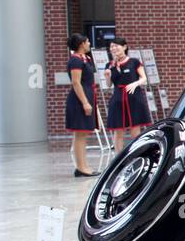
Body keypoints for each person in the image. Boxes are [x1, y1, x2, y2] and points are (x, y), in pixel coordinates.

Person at [106, 37, 152, 151]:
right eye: (112, 46)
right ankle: (118, 158)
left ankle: (136, 154)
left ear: (124, 47)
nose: (113, 48)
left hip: (134, 98)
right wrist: (107, 76)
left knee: (135, 130)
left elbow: (144, 78)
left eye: (116, 46)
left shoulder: (134, 62)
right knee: (118, 130)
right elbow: (109, 84)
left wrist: (135, 84)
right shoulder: (110, 64)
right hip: (118, 98)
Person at [65, 33, 98, 177]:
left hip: (88, 96)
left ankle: (84, 165)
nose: (89, 43)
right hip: (79, 100)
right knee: (79, 134)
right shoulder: (75, 61)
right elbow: (76, 82)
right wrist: (85, 102)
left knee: (83, 135)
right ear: (81, 44)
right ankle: (80, 167)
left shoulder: (86, 59)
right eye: (87, 41)